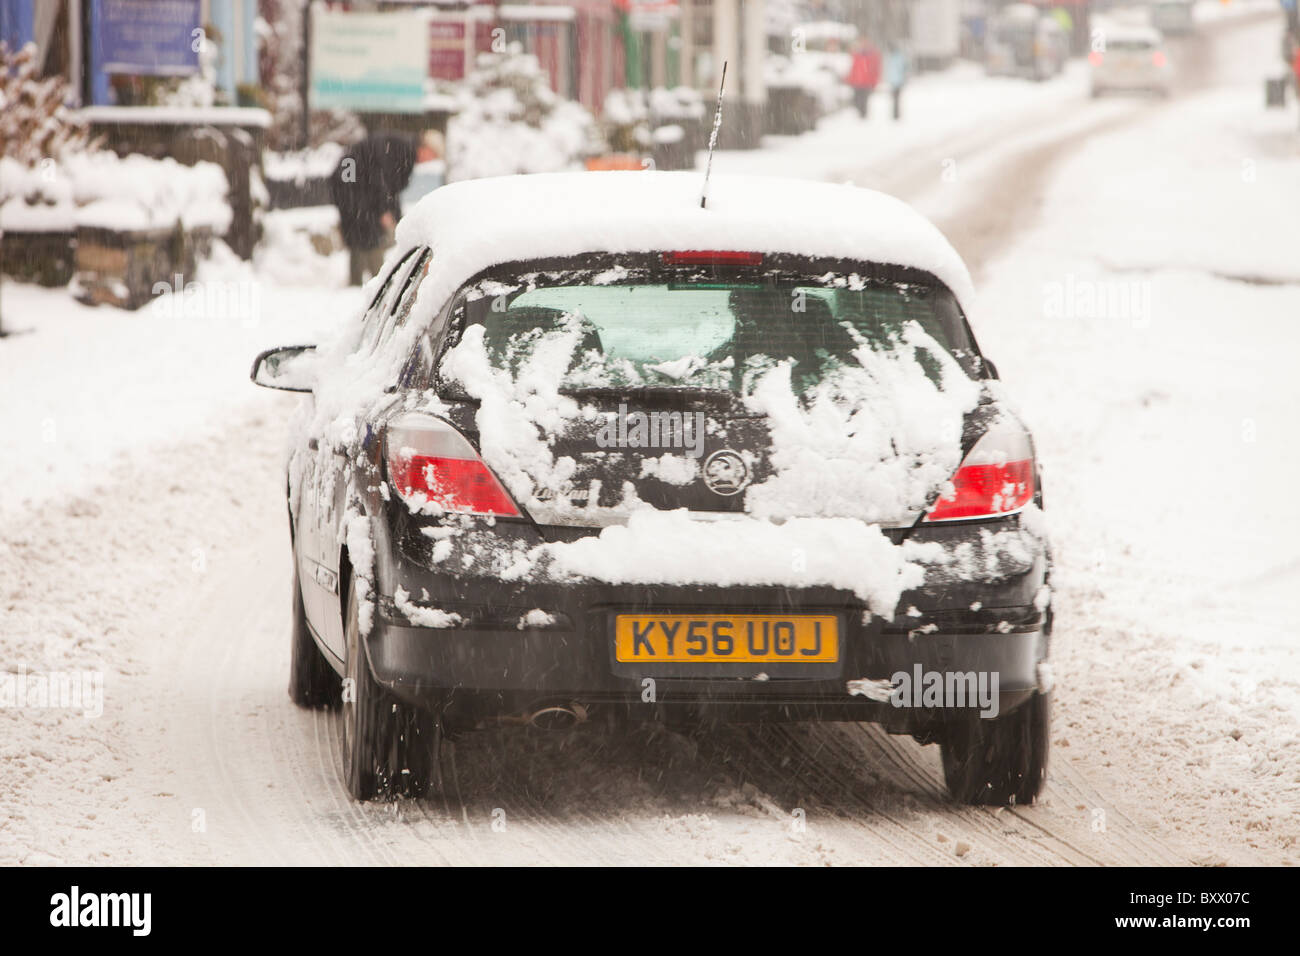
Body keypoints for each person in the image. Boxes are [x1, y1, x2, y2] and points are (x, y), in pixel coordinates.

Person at [329, 132, 417, 286]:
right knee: (367, 237)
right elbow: (382, 184)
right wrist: (385, 210)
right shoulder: (388, 156)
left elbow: (387, 187)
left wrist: (391, 213)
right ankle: (379, 283)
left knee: (361, 236)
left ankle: (367, 282)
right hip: (354, 194)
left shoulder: (380, 152)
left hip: (353, 193)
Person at [847, 38, 882, 119]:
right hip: (857, 82)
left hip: (866, 82)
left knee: (864, 99)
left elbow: (874, 70)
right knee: (857, 99)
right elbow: (853, 69)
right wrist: (851, 79)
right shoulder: (856, 56)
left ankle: (863, 114)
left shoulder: (872, 56)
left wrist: (874, 81)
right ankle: (860, 113)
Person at [885, 44, 909, 121]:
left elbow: (903, 69)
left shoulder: (898, 57)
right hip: (894, 81)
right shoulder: (893, 57)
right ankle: (895, 114)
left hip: (898, 81)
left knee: (896, 99)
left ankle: (896, 114)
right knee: (895, 99)